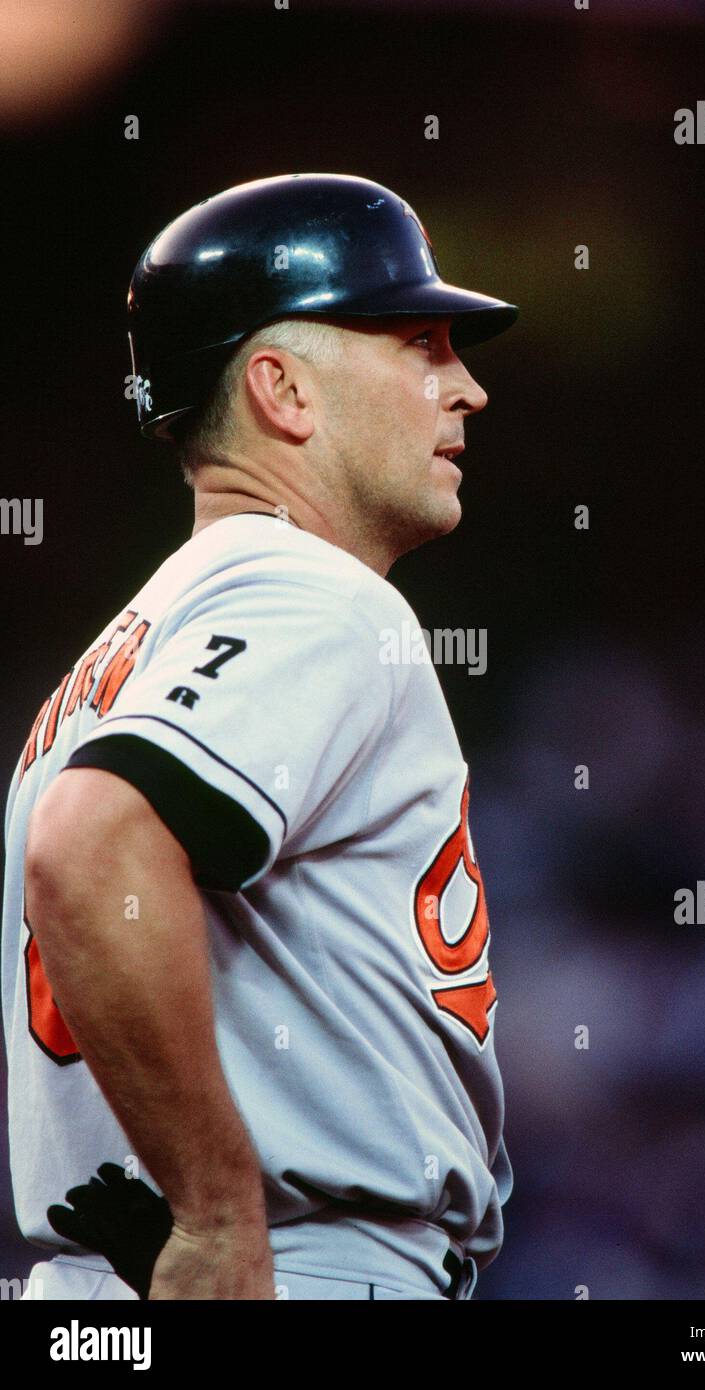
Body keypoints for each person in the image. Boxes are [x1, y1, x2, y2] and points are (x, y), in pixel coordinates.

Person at [2, 174, 518, 1300]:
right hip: (294, 1265)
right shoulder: (313, 596)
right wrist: (217, 1221)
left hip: (108, 1287)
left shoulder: (110, 662)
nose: (466, 387)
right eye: (420, 343)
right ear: (283, 389)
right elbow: (87, 846)